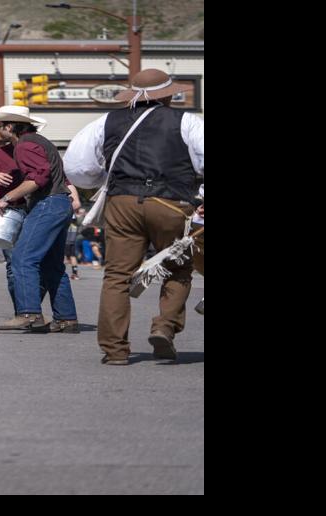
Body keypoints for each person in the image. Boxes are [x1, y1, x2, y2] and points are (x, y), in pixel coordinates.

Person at [65, 69, 203, 364]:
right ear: (168, 94)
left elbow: (77, 167)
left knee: (117, 275)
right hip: (172, 203)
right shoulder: (187, 121)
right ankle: (164, 326)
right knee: (177, 267)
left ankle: (115, 350)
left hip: (122, 202)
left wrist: (104, 177)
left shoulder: (105, 122)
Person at [0, 106, 78, 334]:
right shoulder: (40, 141)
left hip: (48, 204)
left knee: (23, 258)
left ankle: (28, 313)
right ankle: (66, 318)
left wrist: (7, 197)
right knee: (53, 265)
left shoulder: (24, 145)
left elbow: (37, 178)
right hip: (60, 203)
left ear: (10, 126)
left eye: (1, 125)